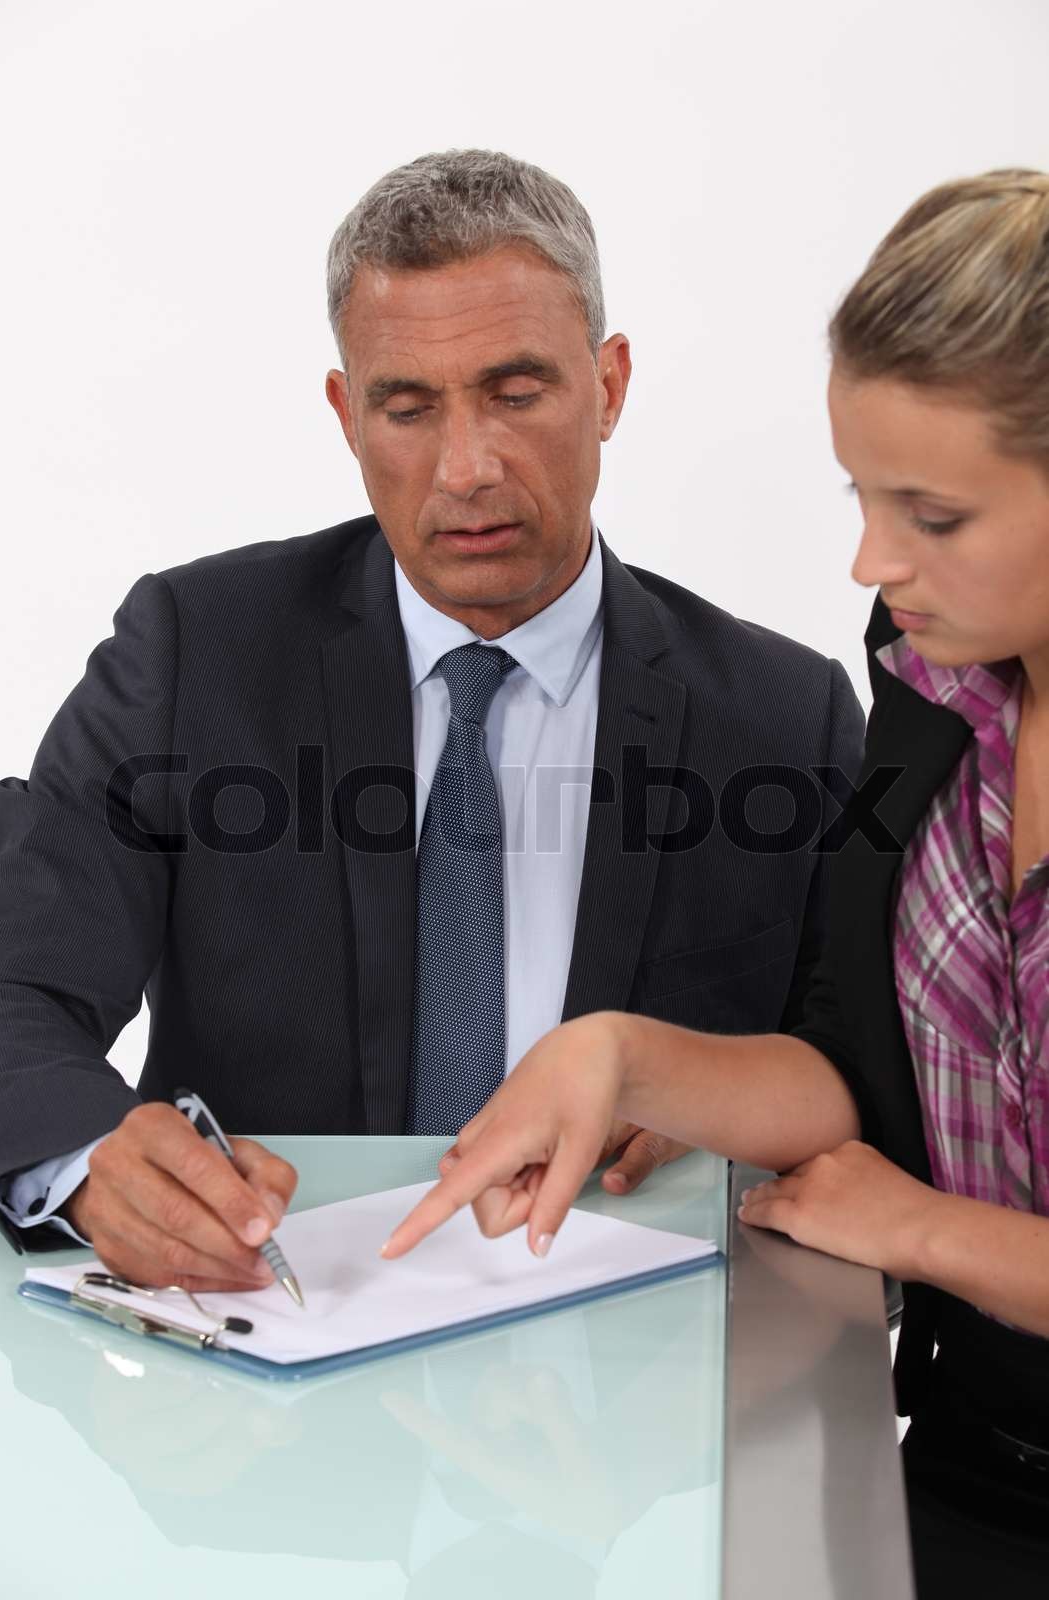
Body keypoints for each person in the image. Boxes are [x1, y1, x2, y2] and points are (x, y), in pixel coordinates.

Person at [0, 148, 863, 1295]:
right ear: (347, 414)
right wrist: (88, 1162)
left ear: (608, 385)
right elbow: (11, 983)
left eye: (515, 394)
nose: (465, 468)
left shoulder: (786, 718)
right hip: (270, 1326)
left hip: (633, 1343)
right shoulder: (192, 651)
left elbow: (867, 1075)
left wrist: (705, 1096)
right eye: (406, 408)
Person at [383, 168, 1049, 1593]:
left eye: (931, 514)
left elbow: (888, 1188)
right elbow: (856, 1068)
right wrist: (619, 1057)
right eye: (860, 495)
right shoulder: (930, 678)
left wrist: (922, 1230)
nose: (870, 560)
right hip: (957, 1468)